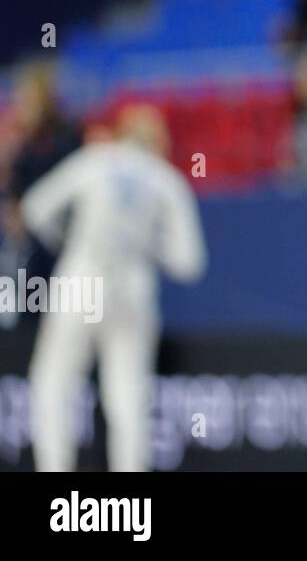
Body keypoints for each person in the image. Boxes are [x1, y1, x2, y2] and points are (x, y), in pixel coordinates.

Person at [19, 105, 207, 471]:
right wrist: (145, 243)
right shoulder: (166, 179)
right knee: (128, 397)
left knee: (53, 385)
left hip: (81, 280)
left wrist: (69, 240)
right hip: (133, 289)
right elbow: (190, 263)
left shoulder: (96, 160)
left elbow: (33, 208)